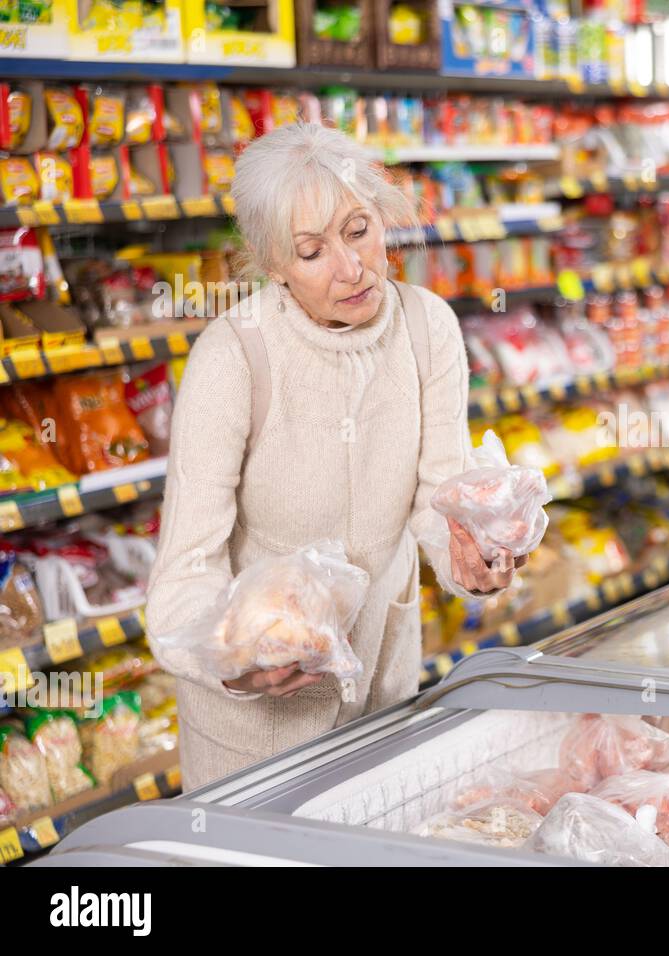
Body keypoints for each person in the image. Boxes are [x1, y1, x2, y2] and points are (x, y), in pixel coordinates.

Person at [145, 123, 529, 790]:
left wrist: (477, 553)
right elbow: (183, 577)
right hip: (253, 740)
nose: (351, 267)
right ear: (272, 263)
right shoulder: (235, 355)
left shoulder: (427, 327)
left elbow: (438, 497)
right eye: (312, 251)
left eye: (358, 230)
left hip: (382, 704)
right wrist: (236, 660)